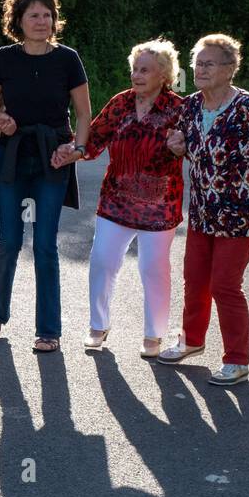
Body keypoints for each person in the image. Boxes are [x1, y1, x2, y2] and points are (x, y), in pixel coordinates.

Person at [157, 33, 249, 385]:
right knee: (195, 279)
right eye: (197, 63)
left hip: (241, 214)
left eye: (208, 63)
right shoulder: (190, 106)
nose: (200, 69)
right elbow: (192, 149)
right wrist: (178, 147)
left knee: (224, 285)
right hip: (203, 212)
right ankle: (191, 340)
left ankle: (237, 360)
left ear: (229, 69)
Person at [0, 0, 90, 354]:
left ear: (54, 20)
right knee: (9, 238)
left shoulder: (68, 58)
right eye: (33, 15)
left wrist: (76, 148)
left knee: (45, 243)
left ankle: (49, 330)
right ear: (19, 20)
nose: (41, 21)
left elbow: (83, 112)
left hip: (53, 154)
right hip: (12, 151)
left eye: (47, 15)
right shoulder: (4, 58)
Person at [81, 38, 185, 359]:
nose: (136, 75)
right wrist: (69, 150)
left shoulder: (178, 109)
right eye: (135, 69)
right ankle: (98, 326)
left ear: (164, 75)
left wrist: (183, 147)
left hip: (160, 204)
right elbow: (93, 140)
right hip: (116, 199)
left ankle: (153, 334)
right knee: (102, 262)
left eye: (145, 70)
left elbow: (193, 147)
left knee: (153, 269)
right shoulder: (120, 103)